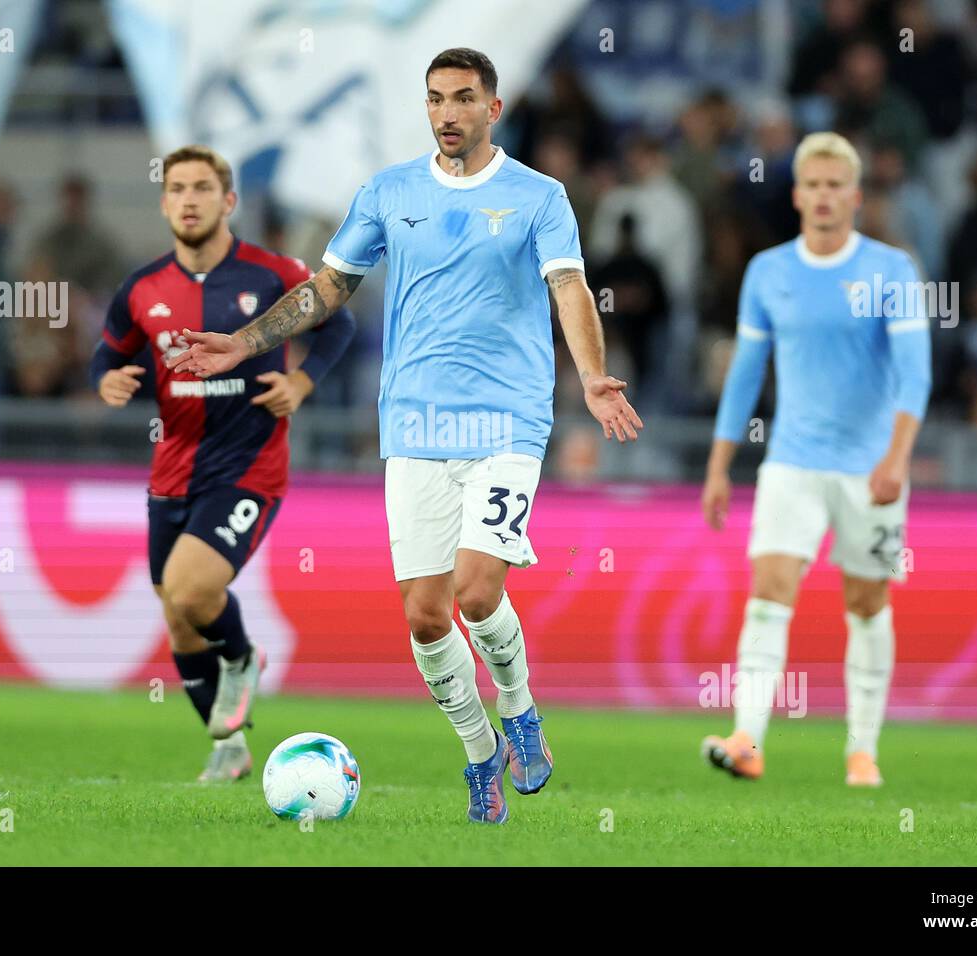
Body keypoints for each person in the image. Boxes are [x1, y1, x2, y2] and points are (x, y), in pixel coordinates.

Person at [168, 48, 642, 823]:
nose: (447, 113)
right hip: (415, 425)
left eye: (462, 98)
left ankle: (521, 711)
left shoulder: (538, 195)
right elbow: (328, 288)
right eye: (434, 99)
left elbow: (568, 286)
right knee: (425, 616)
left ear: (494, 108)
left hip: (506, 421)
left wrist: (591, 375)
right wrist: (245, 341)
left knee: (478, 590)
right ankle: (480, 751)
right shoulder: (389, 192)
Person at [91, 145, 355, 781]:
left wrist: (304, 383)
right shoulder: (142, 288)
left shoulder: (269, 273)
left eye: (202, 188)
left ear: (228, 201)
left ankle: (241, 658)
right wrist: (110, 381)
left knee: (191, 588)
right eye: (177, 188)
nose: (188, 199)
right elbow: (106, 355)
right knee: (180, 622)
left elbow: (336, 322)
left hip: (249, 464)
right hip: (172, 471)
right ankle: (229, 746)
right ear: (163, 203)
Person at [700, 132, 931, 788]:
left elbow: (915, 376)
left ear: (855, 196)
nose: (825, 196)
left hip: (871, 468)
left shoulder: (891, 270)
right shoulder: (769, 272)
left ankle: (863, 749)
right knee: (769, 591)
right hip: (792, 462)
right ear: (798, 194)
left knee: (865, 602)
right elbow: (746, 373)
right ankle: (747, 738)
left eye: (837, 186)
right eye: (814, 185)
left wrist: (897, 458)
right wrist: (720, 464)